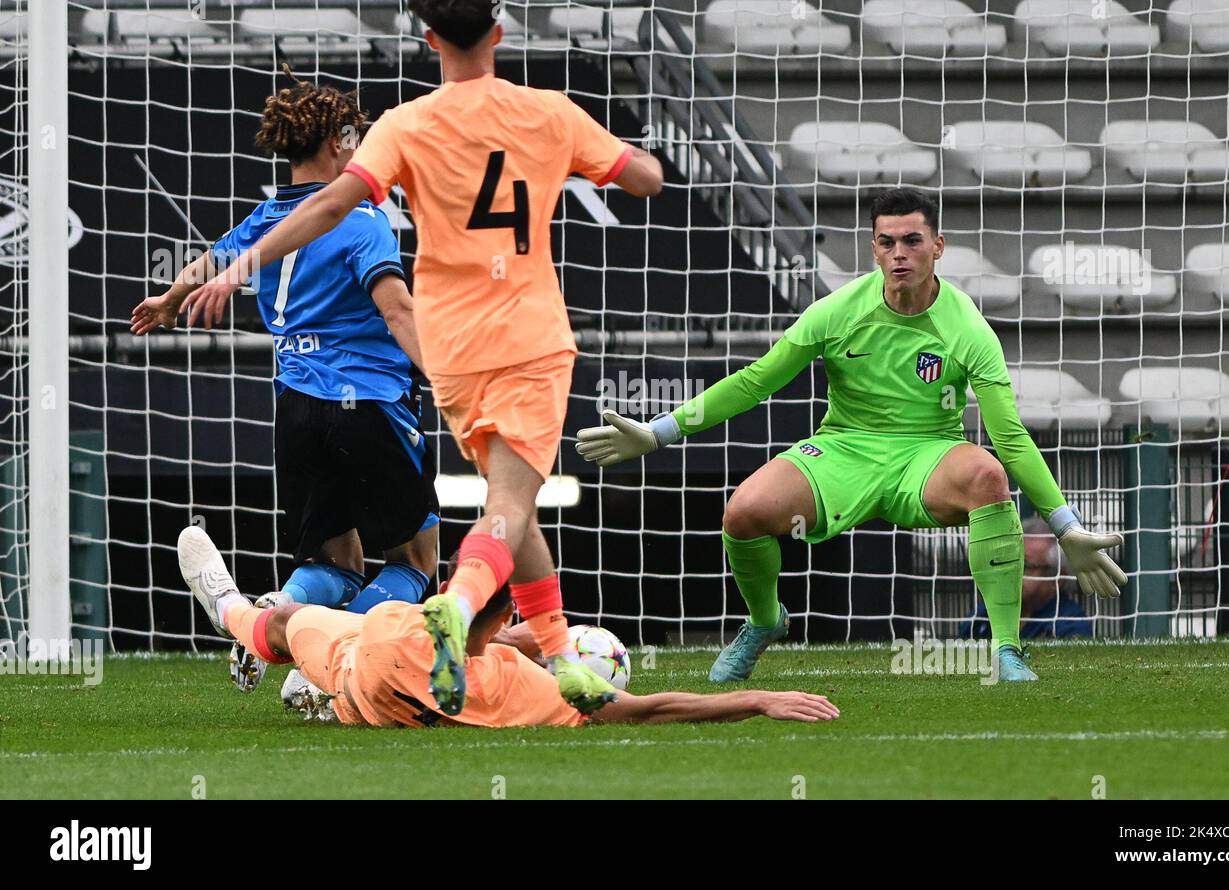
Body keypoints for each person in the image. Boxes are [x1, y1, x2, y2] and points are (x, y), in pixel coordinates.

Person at [175, 0, 664, 716]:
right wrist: (624, 158)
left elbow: (325, 206)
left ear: (428, 38)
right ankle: (459, 612)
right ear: (499, 34)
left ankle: (557, 652)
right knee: (494, 513)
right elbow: (645, 179)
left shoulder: (405, 124)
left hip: (447, 354)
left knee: (472, 519)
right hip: (521, 341)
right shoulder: (549, 112)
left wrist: (232, 269)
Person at [576, 187, 1126, 683]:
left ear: (939, 246)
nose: (899, 253)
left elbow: (1008, 436)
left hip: (927, 456)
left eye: (912, 241)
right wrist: (657, 432)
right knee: (743, 513)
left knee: (986, 472)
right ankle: (766, 620)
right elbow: (755, 381)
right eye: (887, 243)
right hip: (844, 449)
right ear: (873, 249)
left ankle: (1007, 650)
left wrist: (1065, 525)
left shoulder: (967, 328)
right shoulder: (837, 311)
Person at [131, 68, 441, 688]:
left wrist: (169, 300)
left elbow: (210, 261)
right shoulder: (360, 216)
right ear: (336, 145)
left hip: (295, 411)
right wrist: (446, 376)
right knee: (417, 558)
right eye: (354, 137)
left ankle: (273, 612)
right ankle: (331, 660)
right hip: (369, 406)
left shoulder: (266, 222)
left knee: (335, 559)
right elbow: (396, 307)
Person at [177, 525, 839, 727]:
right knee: (310, 642)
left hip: (363, 660)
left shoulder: (404, 625)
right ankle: (301, 681)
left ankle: (235, 612)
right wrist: (756, 700)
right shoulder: (539, 695)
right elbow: (649, 708)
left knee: (283, 621)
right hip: (380, 693)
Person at [960, 517, 1093, 640]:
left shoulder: (1070, 625)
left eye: (1026, 565)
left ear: (1058, 578)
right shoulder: (982, 618)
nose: (1011, 573)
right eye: (1010, 562)